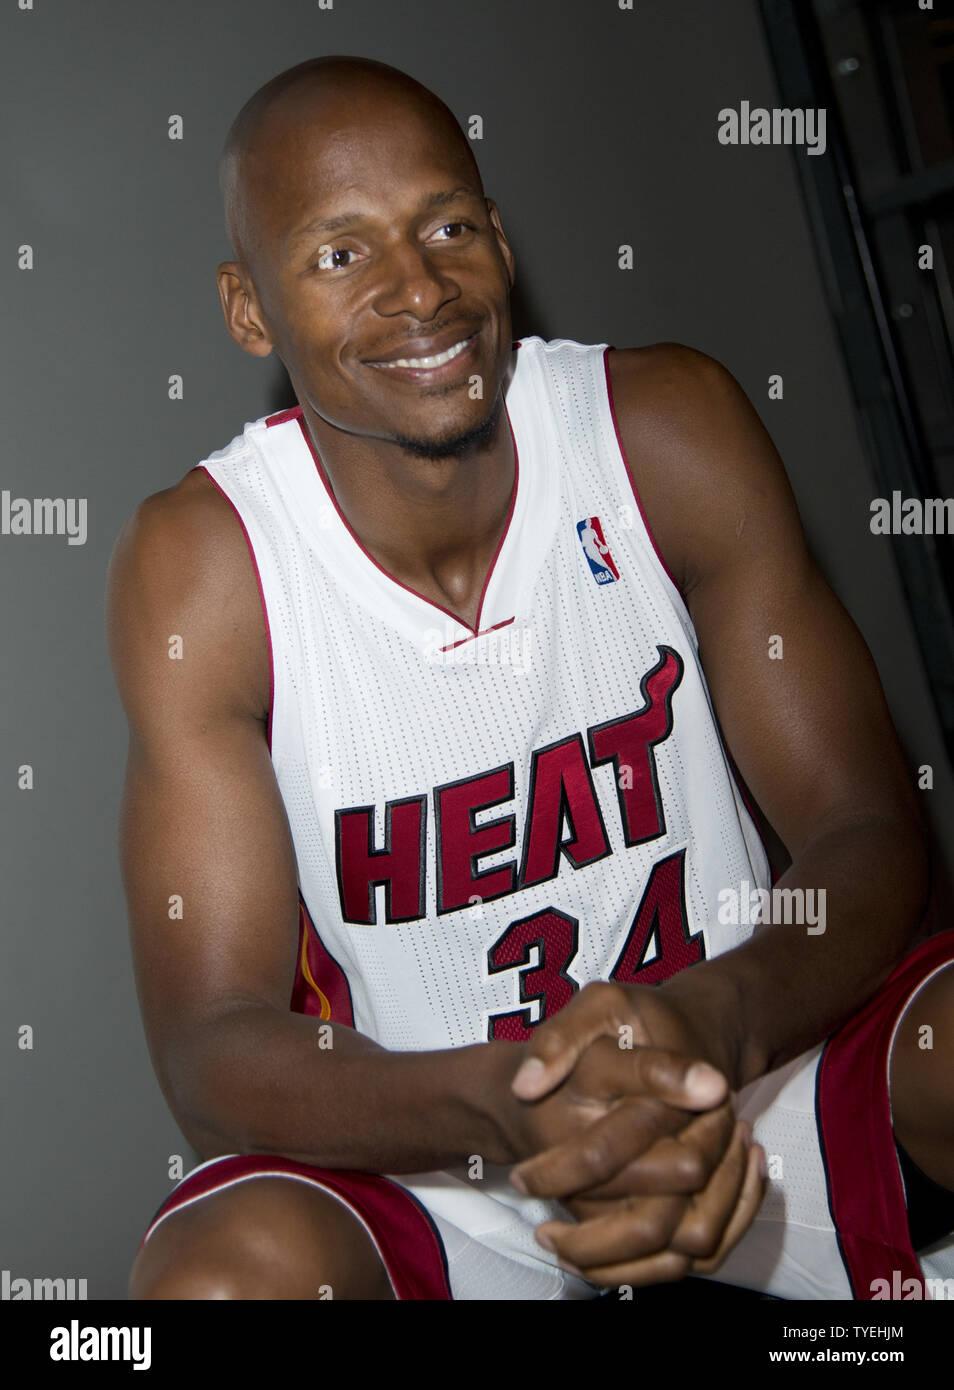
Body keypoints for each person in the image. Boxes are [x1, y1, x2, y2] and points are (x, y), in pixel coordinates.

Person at [106, 54, 954, 1301]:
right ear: (249, 310)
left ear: (500, 240)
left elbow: (869, 827)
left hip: (747, 1066)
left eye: (447, 224)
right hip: (446, 1163)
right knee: (222, 1283)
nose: (419, 289)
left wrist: (711, 1025)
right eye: (340, 255)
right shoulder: (206, 565)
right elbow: (212, 1044)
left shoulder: (665, 429)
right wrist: (503, 1104)